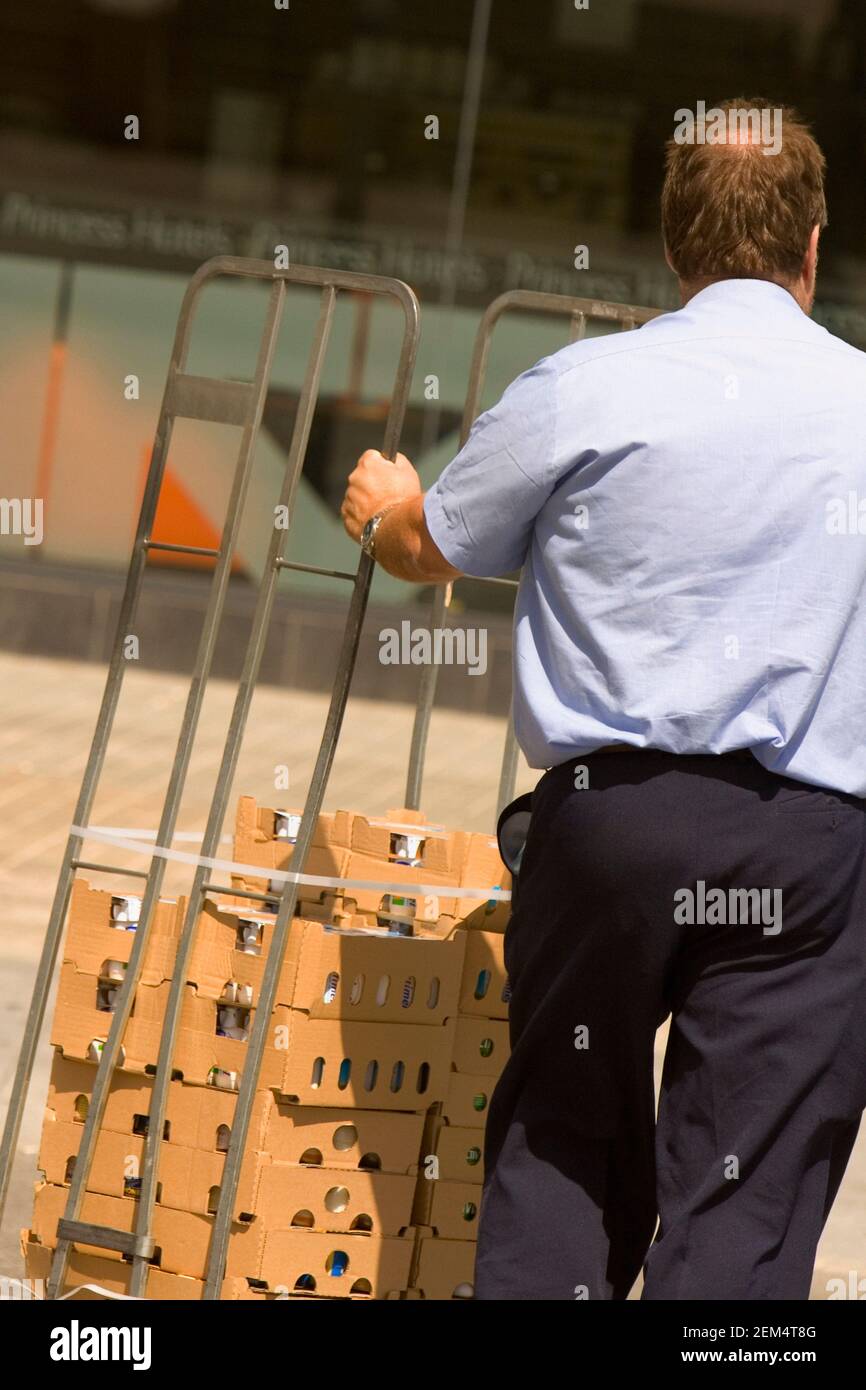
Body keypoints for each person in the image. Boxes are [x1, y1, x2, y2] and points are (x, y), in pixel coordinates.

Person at [340, 98, 866, 1301]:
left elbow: (438, 544)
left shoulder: (586, 386)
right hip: (804, 848)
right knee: (751, 1197)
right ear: (812, 248)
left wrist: (381, 510)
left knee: (563, 1147)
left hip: (609, 828)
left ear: (673, 246)